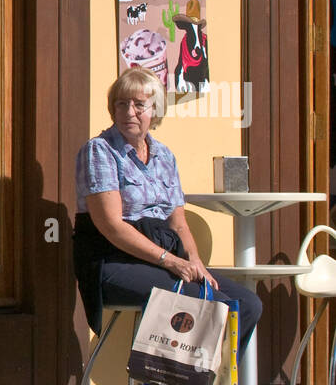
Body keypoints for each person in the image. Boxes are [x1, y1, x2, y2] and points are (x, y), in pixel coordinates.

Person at [73, 67, 262, 358]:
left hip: (159, 260)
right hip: (112, 260)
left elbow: (178, 223)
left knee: (247, 304)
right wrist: (171, 261)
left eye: (138, 104)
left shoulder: (164, 155)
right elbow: (111, 227)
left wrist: (195, 263)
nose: (129, 112)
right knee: (205, 302)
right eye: (121, 104)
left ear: (155, 110)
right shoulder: (100, 151)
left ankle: (203, 383)